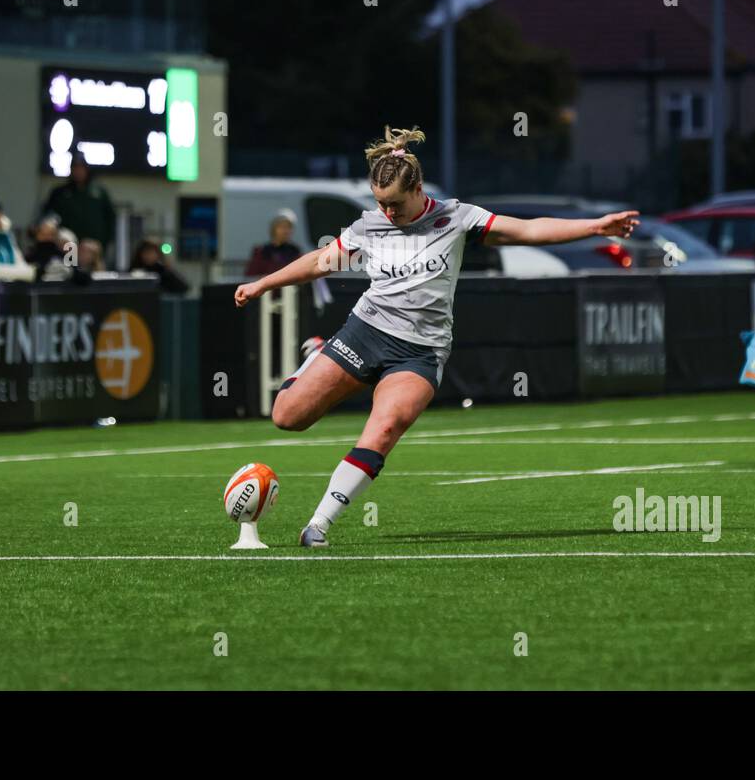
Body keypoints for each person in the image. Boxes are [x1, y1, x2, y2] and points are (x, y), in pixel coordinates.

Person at [234, 125, 640, 548]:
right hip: (364, 333)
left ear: (419, 188)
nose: (387, 212)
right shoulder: (370, 225)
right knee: (287, 418)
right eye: (380, 204)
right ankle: (316, 355)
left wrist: (596, 227)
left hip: (419, 353)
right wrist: (263, 284)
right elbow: (321, 262)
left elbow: (529, 229)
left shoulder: (457, 217)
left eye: (394, 204)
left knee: (385, 427)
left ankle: (318, 524)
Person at [44, 154, 116, 253]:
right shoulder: (60, 193)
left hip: (93, 247)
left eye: (81, 168)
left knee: (92, 268)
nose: (78, 172)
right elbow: (49, 218)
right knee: (68, 266)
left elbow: (110, 219)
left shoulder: (99, 192)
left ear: (87, 170)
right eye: (75, 168)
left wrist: (105, 242)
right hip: (67, 247)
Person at [245, 210, 302, 276]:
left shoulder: (295, 251)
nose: (285, 230)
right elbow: (251, 275)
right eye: (281, 227)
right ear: (273, 228)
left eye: (288, 227)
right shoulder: (262, 251)